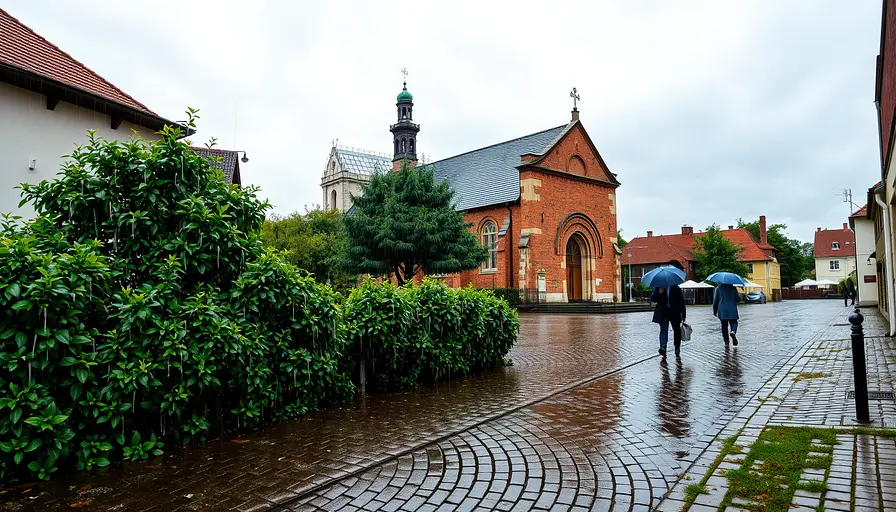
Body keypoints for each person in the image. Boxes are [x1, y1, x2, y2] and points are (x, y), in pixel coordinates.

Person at [651, 285, 687, 358]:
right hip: (663, 312)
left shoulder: (675, 287)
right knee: (663, 330)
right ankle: (663, 347)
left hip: (675, 312)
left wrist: (683, 315)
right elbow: (653, 298)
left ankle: (677, 347)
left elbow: (681, 301)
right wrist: (659, 293)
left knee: (676, 330)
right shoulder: (659, 286)